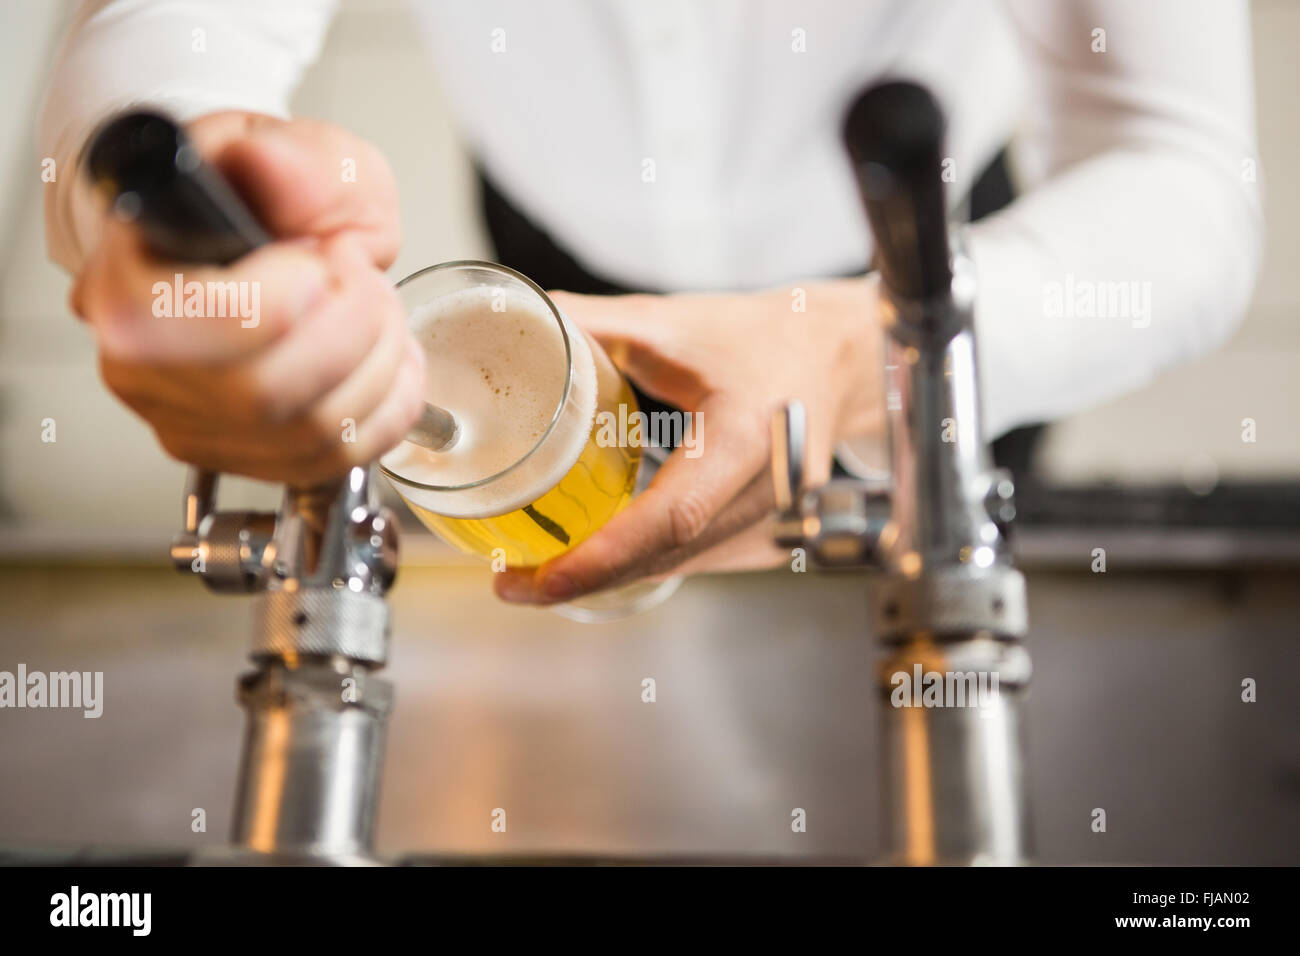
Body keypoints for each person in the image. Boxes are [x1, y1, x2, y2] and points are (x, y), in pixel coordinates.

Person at [40, 0, 1262, 605]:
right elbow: (167, 45)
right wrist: (187, 243)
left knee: (931, 598)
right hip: (559, 254)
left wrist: (849, 356)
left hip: (926, 276)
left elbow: (1182, 171)